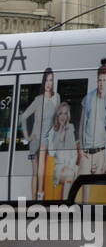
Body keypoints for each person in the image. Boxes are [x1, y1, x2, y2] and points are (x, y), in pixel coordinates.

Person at [20, 69, 59, 200]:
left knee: (41, 168)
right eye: (47, 80)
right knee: (35, 172)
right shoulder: (38, 99)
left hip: (48, 138)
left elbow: (57, 120)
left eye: (51, 80)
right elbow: (23, 116)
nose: (49, 83)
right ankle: (36, 199)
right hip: (36, 139)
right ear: (44, 82)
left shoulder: (56, 97)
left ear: (53, 82)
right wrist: (27, 136)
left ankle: (39, 196)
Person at [79, 62, 106, 175]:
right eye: (100, 80)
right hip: (87, 152)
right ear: (96, 80)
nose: (101, 84)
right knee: (84, 188)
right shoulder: (88, 98)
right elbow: (81, 126)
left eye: (104, 80)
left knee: (96, 189)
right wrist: (80, 148)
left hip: (101, 152)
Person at [39, 101, 79, 200]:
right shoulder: (53, 131)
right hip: (57, 169)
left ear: (68, 116)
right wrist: (60, 131)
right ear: (57, 115)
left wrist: (69, 166)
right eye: (60, 113)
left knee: (78, 172)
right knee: (70, 175)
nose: (63, 116)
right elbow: (51, 153)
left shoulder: (71, 129)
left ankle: (70, 202)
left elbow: (74, 153)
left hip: (70, 167)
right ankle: (66, 203)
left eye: (65, 113)